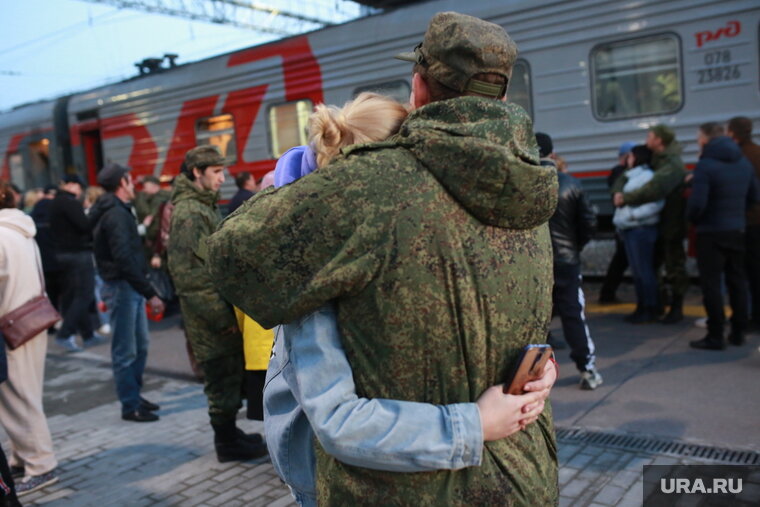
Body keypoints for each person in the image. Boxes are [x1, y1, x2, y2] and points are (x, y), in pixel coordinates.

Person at [208, 11, 559, 505]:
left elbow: (231, 255)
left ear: (418, 88)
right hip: (523, 478)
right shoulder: (532, 190)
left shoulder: (367, 189)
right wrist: (542, 373)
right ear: (503, 96)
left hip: (399, 491)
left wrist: (293, 181)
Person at [265, 92, 556, 505]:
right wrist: (474, 424)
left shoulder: (401, 248)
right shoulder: (315, 286)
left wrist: (537, 375)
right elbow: (337, 421)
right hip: (339, 486)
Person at [167, 146, 267, 462]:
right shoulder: (189, 213)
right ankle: (226, 443)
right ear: (197, 173)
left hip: (219, 314)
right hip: (210, 319)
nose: (222, 179)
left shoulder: (202, 207)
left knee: (229, 377)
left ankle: (230, 434)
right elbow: (191, 279)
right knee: (220, 380)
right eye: (216, 172)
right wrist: (222, 319)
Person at [89, 164, 165, 422]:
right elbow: (124, 258)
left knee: (140, 346)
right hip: (122, 287)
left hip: (128, 286)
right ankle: (130, 405)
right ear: (122, 182)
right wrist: (149, 292)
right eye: (130, 180)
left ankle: (135, 395)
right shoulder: (116, 215)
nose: (134, 184)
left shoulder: (117, 210)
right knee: (126, 350)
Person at [0, 181, 59, 496]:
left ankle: (41, 464)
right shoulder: (21, 228)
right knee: (25, 392)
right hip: (33, 318)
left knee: (18, 398)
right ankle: (21, 457)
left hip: (10, 324)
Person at [538, 133, 602, 389]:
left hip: (536, 264)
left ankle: (532, 373)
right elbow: (589, 223)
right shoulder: (571, 183)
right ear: (553, 154)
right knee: (573, 315)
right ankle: (587, 370)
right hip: (566, 261)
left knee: (536, 320)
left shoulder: (524, 183)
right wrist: (575, 247)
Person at [688, 122, 758, 350]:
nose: (698, 140)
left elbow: (697, 203)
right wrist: (738, 213)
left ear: (706, 138)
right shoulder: (742, 162)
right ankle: (738, 332)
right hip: (737, 228)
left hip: (711, 231)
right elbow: (755, 195)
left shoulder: (705, 165)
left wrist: (694, 220)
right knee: (737, 280)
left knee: (712, 285)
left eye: (699, 136)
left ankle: (715, 335)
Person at [614, 125, 688, 323]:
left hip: (671, 223)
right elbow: (624, 177)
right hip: (658, 222)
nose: (647, 139)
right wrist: (619, 193)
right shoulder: (657, 159)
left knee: (673, 266)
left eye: (650, 135)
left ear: (660, 140)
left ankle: (675, 307)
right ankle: (657, 304)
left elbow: (654, 190)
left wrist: (625, 198)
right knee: (652, 267)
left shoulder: (670, 164)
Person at [49, 174, 101, 352]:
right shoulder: (69, 202)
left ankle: (88, 335)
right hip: (77, 253)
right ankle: (65, 334)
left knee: (74, 295)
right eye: (79, 187)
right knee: (84, 294)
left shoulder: (55, 202)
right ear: (72, 185)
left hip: (62, 254)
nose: (80, 192)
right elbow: (84, 226)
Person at [613, 145, 663, 323]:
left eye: (631, 156)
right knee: (638, 271)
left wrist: (634, 216)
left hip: (640, 229)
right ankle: (643, 306)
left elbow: (656, 203)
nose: (628, 159)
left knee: (644, 270)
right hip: (630, 228)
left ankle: (649, 307)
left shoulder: (648, 177)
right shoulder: (632, 175)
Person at [727, 116, 760, 328]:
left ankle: (749, 316)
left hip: (746, 220)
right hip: (756, 219)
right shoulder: (757, 152)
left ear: (733, 134)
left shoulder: (737, 157)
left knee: (744, 271)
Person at [599, 141, 636, 304]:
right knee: (621, 260)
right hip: (624, 224)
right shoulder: (620, 173)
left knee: (620, 261)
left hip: (622, 223)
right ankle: (607, 294)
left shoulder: (618, 173)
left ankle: (607, 293)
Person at [30, 185, 61, 330]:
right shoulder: (56, 209)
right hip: (56, 256)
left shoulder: (35, 211)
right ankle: (59, 320)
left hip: (41, 259)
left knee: (47, 293)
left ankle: (49, 325)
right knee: (60, 292)